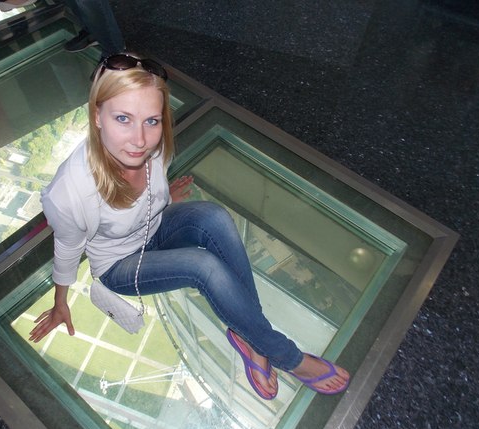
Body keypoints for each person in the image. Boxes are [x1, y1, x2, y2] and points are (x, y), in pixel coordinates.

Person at [29, 53, 350, 399]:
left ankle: (250, 336)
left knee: (214, 217)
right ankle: (288, 357)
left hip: (153, 228)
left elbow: (146, 187)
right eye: (123, 118)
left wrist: (162, 197)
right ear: (96, 115)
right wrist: (61, 302)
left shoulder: (156, 146)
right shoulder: (69, 192)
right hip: (119, 264)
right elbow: (67, 250)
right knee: (202, 266)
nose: (140, 139)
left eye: (151, 120)